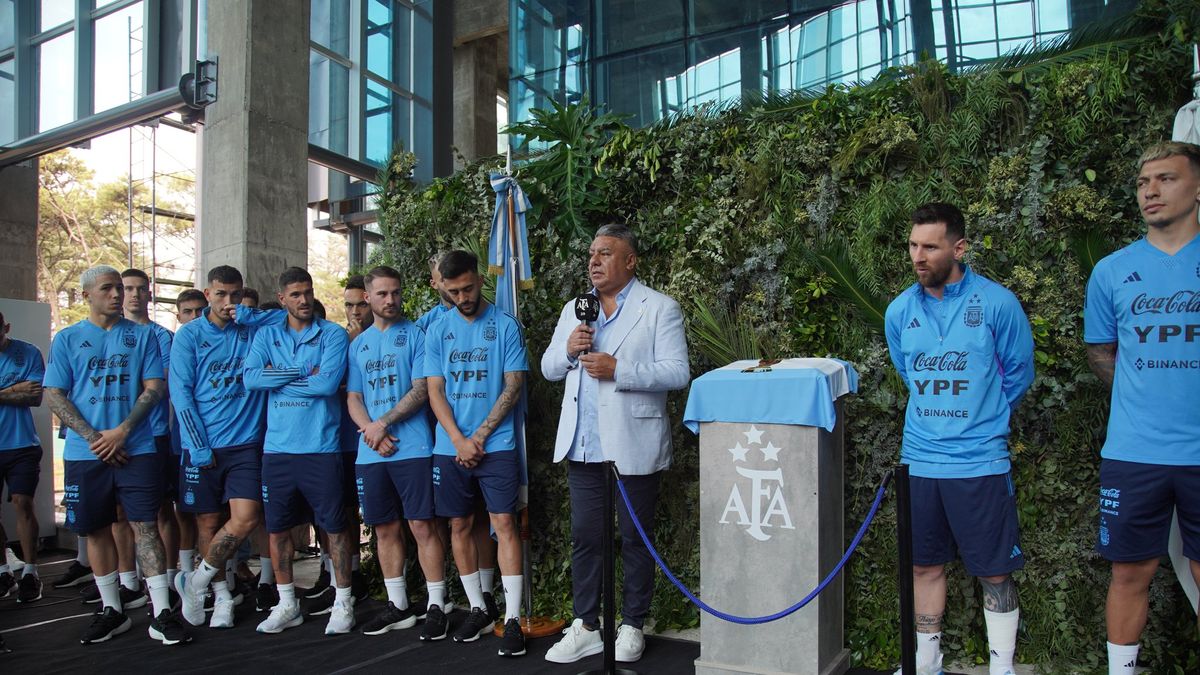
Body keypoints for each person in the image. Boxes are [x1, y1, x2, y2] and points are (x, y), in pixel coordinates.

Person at [883, 203, 1034, 675]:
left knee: (994, 571)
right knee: (924, 567)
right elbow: (908, 373)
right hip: (921, 462)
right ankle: (926, 664)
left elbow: (1018, 374)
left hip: (980, 463)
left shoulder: (997, 303)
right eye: (913, 245)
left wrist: (981, 419)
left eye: (930, 246)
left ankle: (1002, 667)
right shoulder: (899, 310)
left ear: (959, 247)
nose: (918, 256)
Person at [540, 223, 690, 664]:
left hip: (632, 443)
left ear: (630, 260)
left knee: (634, 539)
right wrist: (570, 349)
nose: (594, 261)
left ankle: (631, 625)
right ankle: (587, 625)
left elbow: (677, 372)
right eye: (591, 253)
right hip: (583, 445)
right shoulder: (576, 309)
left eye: (606, 253)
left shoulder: (660, 308)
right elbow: (550, 368)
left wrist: (619, 369)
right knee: (586, 537)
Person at [1084, 141, 1200, 674]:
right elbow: (1102, 352)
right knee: (1129, 574)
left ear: (1197, 187)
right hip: (1134, 452)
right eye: (1142, 182)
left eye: (1166, 179)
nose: (1150, 191)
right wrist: (1143, 393)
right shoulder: (1112, 270)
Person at [44, 265, 190, 645]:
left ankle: (161, 612)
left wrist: (122, 432)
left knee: (145, 525)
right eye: (107, 289)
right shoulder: (67, 338)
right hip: (85, 452)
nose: (116, 295)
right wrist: (96, 438)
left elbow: (155, 387)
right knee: (96, 528)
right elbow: (55, 394)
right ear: (86, 296)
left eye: (118, 289)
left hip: (137, 448)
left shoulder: (141, 336)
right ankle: (112, 609)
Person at [424, 250, 528, 657]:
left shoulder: (505, 326)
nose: (462, 297)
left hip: (497, 444)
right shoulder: (437, 329)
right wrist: (457, 439)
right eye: (453, 291)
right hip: (449, 447)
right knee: (459, 526)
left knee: (503, 523)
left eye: (467, 288)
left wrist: (480, 435)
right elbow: (435, 390)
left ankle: (513, 618)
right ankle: (478, 608)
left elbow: (513, 384)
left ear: (479, 279)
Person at [243, 266, 354, 635]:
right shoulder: (265, 335)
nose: (304, 300)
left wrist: (280, 377)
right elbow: (251, 378)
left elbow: (326, 387)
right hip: (277, 451)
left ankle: (343, 601)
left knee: (335, 528)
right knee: (277, 531)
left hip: (321, 449)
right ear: (282, 299)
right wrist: (301, 374)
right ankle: (287, 602)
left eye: (307, 292)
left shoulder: (333, 335)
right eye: (295, 295)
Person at [346, 265, 449, 639]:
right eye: (383, 294)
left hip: (414, 448)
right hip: (372, 452)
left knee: (422, 525)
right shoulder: (358, 344)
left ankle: (437, 604)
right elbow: (354, 398)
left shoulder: (417, 335)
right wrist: (370, 431)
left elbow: (422, 389)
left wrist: (382, 425)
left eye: (396, 293)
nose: (391, 300)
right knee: (385, 529)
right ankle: (398, 606)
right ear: (367, 297)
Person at [172, 265, 275, 629]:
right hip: (202, 445)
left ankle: (195, 581)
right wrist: (198, 445)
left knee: (246, 517)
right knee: (207, 522)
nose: (228, 302)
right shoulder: (188, 336)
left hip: (246, 443)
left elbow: (289, 316)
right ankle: (221, 595)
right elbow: (181, 394)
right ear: (207, 293)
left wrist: (252, 314)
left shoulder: (254, 328)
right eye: (220, 294)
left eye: (234, 294)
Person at [122, 269, 184, 594]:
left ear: (149, 293)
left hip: (155, 434)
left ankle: (170, 578)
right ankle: (128, 581)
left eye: (139, 289)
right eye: (127, 288)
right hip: (116, 437)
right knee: (121, 513)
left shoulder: (162, 336)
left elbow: (160, 384)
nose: (133, 294)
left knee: (161, 509)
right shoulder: (108, 335)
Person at [0, 311, 47, 603]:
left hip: (22, 445)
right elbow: (20, 393)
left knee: (23, 503)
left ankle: (31, 572)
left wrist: (19, 392)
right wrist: (12, 389)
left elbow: (34, 397)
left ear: (5, 327)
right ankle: (4, 572)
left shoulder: (28, 353)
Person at [343, 274, 373, 342]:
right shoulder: (337, 337)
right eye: (349, 305)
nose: (355, 312)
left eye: (362, 305)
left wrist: (359, 341)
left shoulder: (387, 335)